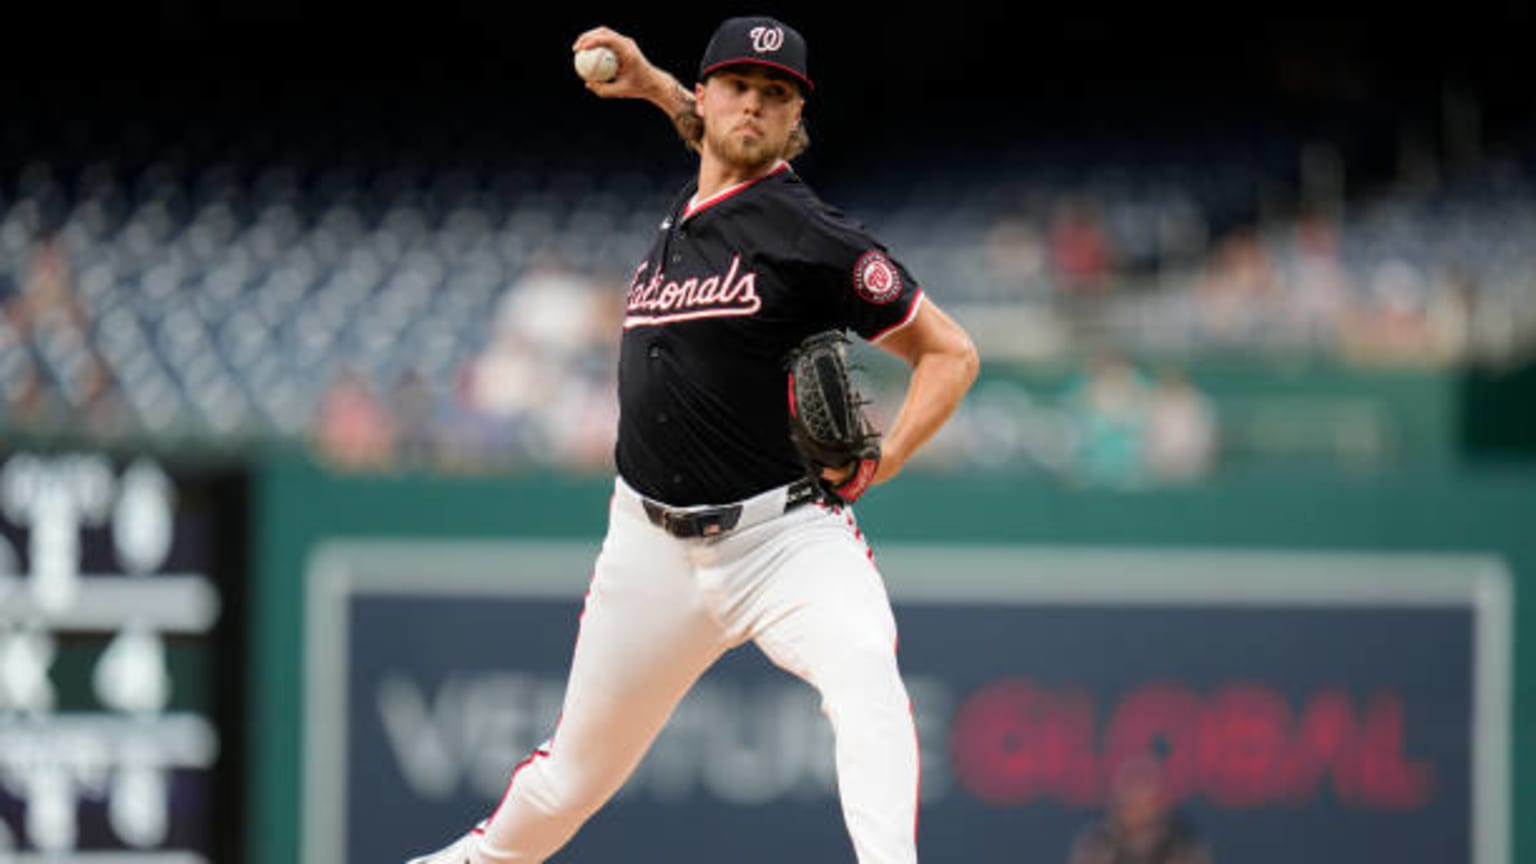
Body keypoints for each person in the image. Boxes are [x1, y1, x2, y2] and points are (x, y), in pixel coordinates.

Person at [406, 15, 978, 864]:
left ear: (797, 122)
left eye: (776, 94)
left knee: (866, 674)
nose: (754, 104)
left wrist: (883, 459)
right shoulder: (700, 196)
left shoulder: (811, 234)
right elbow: (709, 131)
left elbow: (950, 353)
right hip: (648, 546)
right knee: (567, 782)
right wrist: (646, 82)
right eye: (739, 86)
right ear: (705, 99)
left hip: (785, 537)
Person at [1068, 756, 1212, 864]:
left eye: (1145, 801)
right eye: (1131, 800)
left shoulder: (1181, 844)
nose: (1138, 809)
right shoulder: (1099, 844)